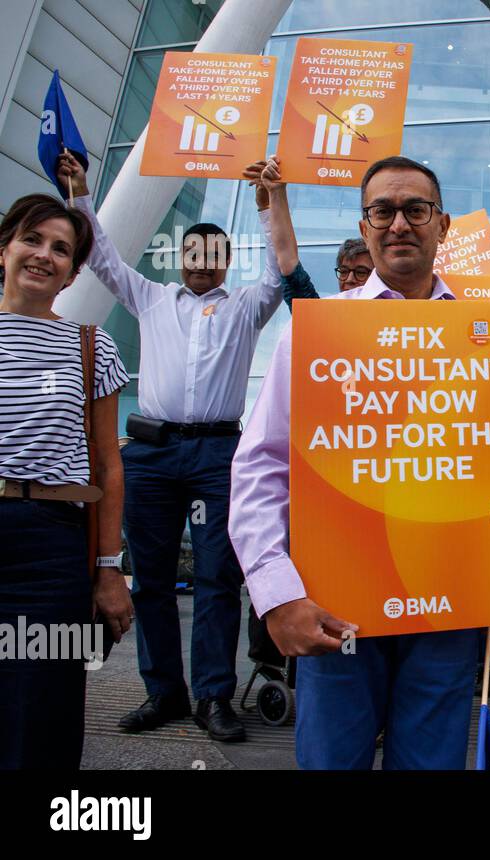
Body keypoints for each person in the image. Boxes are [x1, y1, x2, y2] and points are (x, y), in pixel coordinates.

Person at [229, 155, 481, 770]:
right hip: (338, 599)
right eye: (383, 211)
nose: (399, 223)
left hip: (449, 599)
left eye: (415, 210)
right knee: (331, 761)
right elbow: (262, 463)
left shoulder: (483, 333)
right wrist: (275, 593)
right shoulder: (321, 328)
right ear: (365, 226)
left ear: (442, 224)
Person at [58, 154, 285, 744]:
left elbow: (282, 275)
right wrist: (81, 195)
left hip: (215, 459)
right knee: (151, 579)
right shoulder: (151, 298)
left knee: (215, 577)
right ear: (179, 259)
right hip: (152, 456)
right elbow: (103, 256)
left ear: (226, 262)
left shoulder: (246, 307)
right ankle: (164, 693)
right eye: (191, 254)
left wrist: (266, 205)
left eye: (212, 256)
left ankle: (213, 696)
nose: (201, 264)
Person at [0, 194, 133, 769]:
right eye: (32, 240)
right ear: (4, 249)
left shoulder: (91, 344)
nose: (44, 256)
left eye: (62, 249)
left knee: (44, 713)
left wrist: (109, 571)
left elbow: (108, 466)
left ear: (74, 272)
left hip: (52, 548)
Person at [251, 156, 372, 309]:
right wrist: (276, 191)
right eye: (343, 271)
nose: (349, 279)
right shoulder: (321, 319)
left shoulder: (399, 316)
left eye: (361, 272)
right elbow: (289, 264)